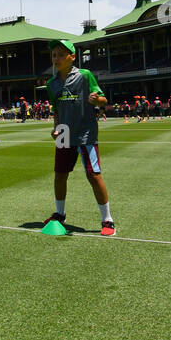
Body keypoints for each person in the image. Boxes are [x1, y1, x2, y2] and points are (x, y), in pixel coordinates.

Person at [44, 40, 114, 236]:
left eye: (60, 54)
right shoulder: (52, 84)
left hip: (86, 132)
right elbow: (56, 110)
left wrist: (97, 100)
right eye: (53, 55)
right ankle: (60, 214)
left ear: (72, 57)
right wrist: (56, 128)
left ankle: (107, 220)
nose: (56, 58)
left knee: (93, 174)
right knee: (60, 174)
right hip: (64, 133)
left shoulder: (85, 76)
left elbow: (103, 99)